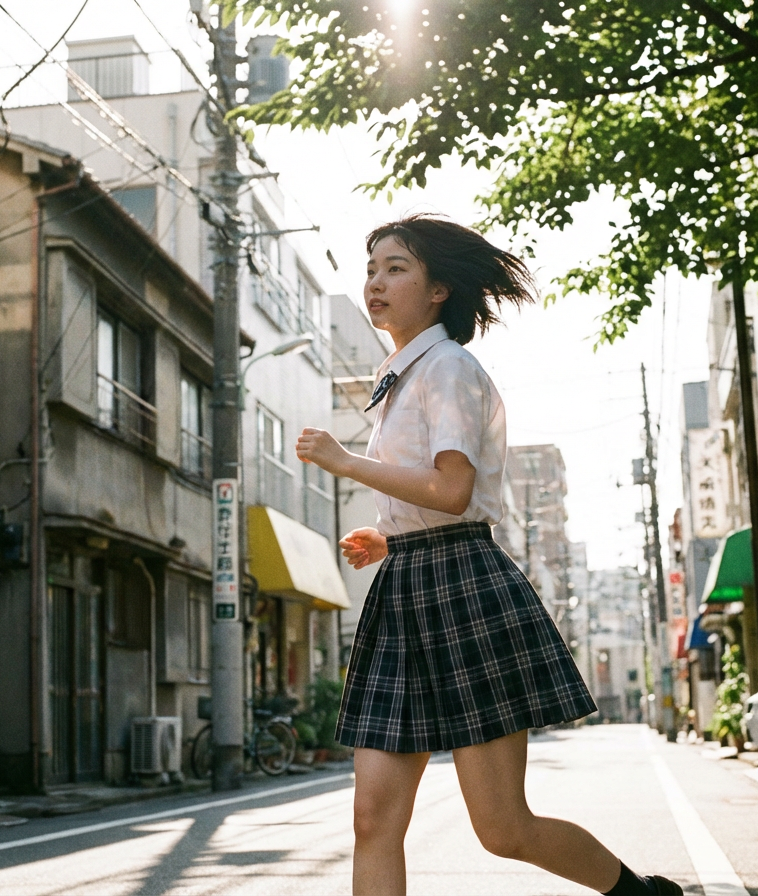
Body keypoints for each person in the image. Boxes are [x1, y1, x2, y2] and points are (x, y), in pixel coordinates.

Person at [295, 215, 683, 896]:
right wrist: (393, 535)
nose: (375, 282)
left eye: (396, 268)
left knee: (503, 828)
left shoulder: (447, 368)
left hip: (462, 589)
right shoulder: (403, 375)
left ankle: (641, 895)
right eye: (372, 269)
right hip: (407, 583)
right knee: (371, 818)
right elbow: (439, 495)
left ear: (439, 288)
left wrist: (347, 463)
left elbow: (454, 489)